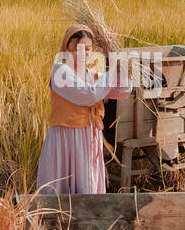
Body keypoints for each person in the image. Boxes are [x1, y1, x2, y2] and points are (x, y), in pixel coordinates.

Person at [35, 24, 133, 194]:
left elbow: (123, 91)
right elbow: (90, 94)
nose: (84, 53)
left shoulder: (91, 73)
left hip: (87, 137)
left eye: (88, 49)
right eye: (78, 49)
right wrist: (112, 72)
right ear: (67, 47)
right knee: (61, 188)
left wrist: (120, 67)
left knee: (85, 185)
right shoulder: (61, 71)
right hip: (66, 137)